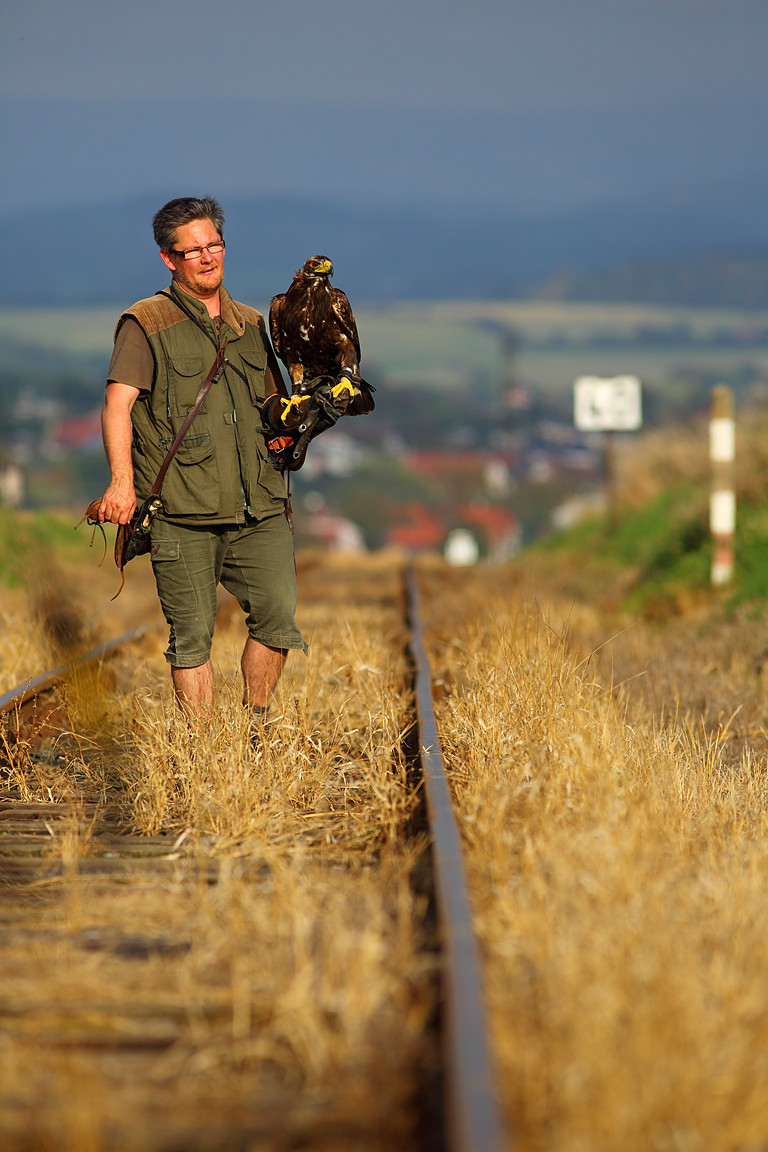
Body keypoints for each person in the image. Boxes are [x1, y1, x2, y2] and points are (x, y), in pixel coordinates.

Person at [97, 196, 307, 721]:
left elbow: (275, 409)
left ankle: (255, 726)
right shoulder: (145, 323)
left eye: (214, 244)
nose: (207, 257)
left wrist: (310, 412)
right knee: (191, 638)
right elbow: (117, 405)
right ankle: (204, 747)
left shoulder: (253, 324)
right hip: (180, 511)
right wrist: (122, 483)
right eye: (193, 250)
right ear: (169, 259)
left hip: (257, 505)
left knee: (278, 618)